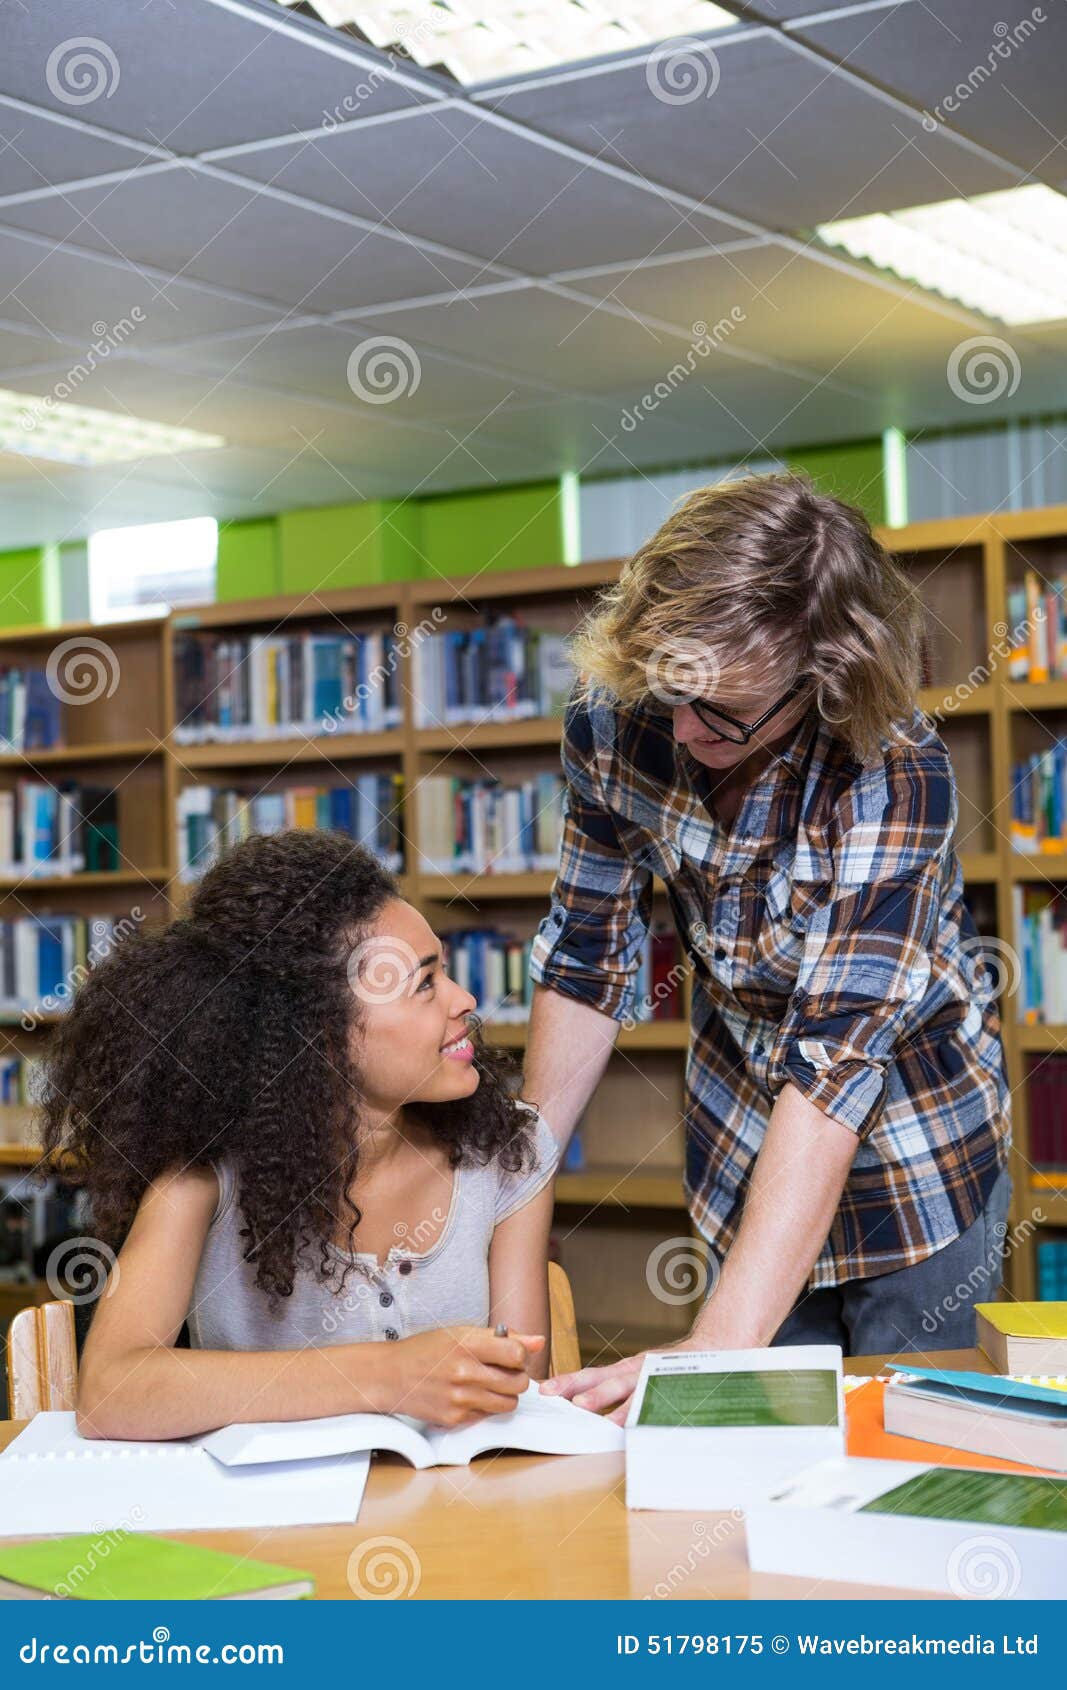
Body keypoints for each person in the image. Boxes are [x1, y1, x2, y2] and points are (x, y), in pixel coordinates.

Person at [524, 472, 1011, 1421]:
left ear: (824, 679)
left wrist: (715, 1345)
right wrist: (514, 1192)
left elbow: (834, 1065)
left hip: (917, 1154)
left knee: (908, 1439)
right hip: (744, 1131)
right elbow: (585, 961)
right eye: (672, 689)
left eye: (724, 710)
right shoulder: (613, 715)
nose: (682, 727)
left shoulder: (892, 771)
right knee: (761, 1447)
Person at [40, 830, 558, 1441]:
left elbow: (519, 1392)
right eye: (424, 984)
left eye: (442, 972)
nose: (465, 1000)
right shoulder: (205, 1172)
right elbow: (112, 1392)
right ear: (319, 1034)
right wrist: (388, 1375)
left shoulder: (510, 1151)